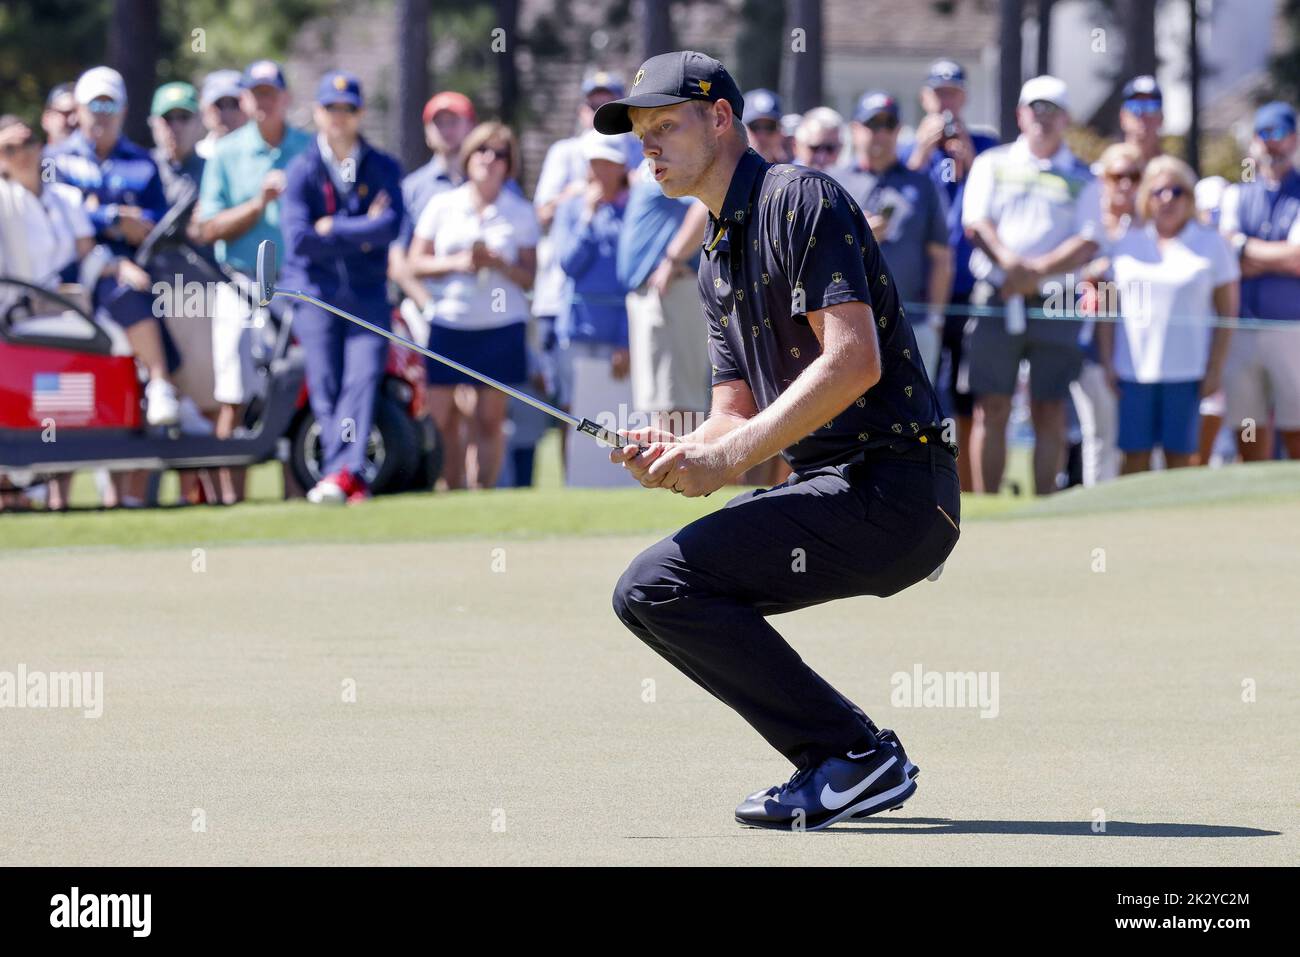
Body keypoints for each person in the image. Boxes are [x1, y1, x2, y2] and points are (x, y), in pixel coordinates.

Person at [597, 50, 960, 831]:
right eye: (640, 134)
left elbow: (853, 359)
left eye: (665, 126)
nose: (648, 147)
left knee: (659, 583)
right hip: (833, 490)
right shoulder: (715, 255)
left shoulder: (803, 198)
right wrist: (683, 454)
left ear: (720, 118)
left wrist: (728, 456)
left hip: (900, 489)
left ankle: (853, 756)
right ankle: (851, 755)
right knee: (652, 589)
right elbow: (734, 417)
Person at [961, 75, 1101, 495]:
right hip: (996, 294)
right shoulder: (993, 163)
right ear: (1021, 115)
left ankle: (1044, 506)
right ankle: (989, 503)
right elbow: (976, 223)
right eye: (1035, 110)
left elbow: (1088, 240)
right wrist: (1011, 268)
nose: (1043, 119)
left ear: (1066, 120)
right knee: (993, 405)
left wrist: (1032, 272)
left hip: (1055, 300)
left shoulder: (1083, 175)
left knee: (1049, 406)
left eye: (1052, 111)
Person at [280, 71, 404, 505]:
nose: (339, 117)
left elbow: (390, 226)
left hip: (367, 295)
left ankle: (343, 472)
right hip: (314, 294)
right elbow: (297, 238)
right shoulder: (301, 169)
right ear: (317, 113)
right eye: (331, 109)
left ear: (359, 113)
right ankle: (341, 472)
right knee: (326, 383)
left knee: (363, 377)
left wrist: (332, 227)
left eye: (347, 109)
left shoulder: (382, 164)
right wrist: (359, 228)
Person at [195, 60, 310, 502]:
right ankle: (232, 501)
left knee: (296, 392)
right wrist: (257, 203)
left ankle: (297, 498)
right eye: (255, 94)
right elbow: (208, 228)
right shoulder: (226, 152)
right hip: (240, 282)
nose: (262, 102)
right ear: (246, 100)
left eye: (269, 93)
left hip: (296, 284)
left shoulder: (307, 148)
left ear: (284, 98)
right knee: (233, 392)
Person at [407, 122, 538, 490]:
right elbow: (415, 262)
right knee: (442, 416)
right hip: (450, 320)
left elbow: (530, 276)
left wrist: (500, 265)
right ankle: (448, 485)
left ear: (508, 165)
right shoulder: (443, 204)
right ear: (468, 157)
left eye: (500, 154)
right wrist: (458, 262)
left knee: (489, 419)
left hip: (499, 324)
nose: (489, 160)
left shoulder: (519, 211)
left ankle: (482, 492)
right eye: (483, 151)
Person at [48, 66, 180, 428]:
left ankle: (162, 386)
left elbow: (155, 221)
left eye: (110, 106)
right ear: (79, 108)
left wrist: (101, 213)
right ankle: (160, 380)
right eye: (95, 106)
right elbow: (60, 210)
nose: (101, 116)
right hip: (71, 268)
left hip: (133, 266)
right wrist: (113, 217)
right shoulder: (56, 160)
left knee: (135, 289)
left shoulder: (142, 161)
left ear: (122, 110)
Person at [1095, 157, 1237, 473]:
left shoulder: (1211, 243)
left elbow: (1227, 313)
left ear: (1190, 197)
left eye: (1178, 191)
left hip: (1187, 374)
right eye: (1159, 191)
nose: (1168, 199)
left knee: (1182, 461)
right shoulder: (1126, 243)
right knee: (1134, 459)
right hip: (1133, 372)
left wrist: (1215, 368)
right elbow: (1107, 308)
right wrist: (1107, 361)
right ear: (1147, 197)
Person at [901, 58, 999, 492]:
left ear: (965, 97)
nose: (946, 103)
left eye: (953, 94)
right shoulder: (907, 150)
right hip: (922, 291)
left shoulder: (986, 146)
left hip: (969, 286)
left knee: (966, 392)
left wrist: (972, 162)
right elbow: (898, 196)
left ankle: (968, 487)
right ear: (925, 98)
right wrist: (922, 153)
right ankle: (921, 479)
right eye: (938, 94)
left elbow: (992, 204)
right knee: (918, 390)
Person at [0, 116, 97, 511]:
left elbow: (88, 251)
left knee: (60, 409)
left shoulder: (63, 198)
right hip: (13, 317)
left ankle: (57, 500)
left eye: (26, 143)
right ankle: (13, 494)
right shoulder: (4, 198)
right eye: (8, 149)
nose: (21, 154)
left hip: (63, 312)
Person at [837, 90, 952, 382]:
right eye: (872, 124)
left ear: (899, 131)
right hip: (847, 324)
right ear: (855, 129)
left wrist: (935, 320)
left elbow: (941, 257)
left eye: (889, 125)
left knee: (914, 421)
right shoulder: (832, 181)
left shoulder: (922, 185)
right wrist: (856, 237)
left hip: (911, 324)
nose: (881, 133)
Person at [1219, 101, 1300, 462]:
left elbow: (1297, 260)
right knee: (1248, 429)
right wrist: (1274, 255)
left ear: (1294, 140)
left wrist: (1243, 249)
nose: (1272, 143)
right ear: (1253, 142)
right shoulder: (1236, 194)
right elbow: (1225, 254)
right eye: (1264, 135)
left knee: (1295, 428)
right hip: (1243, 330)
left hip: (1291, 330)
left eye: (1280, 134)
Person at [617, 158, 710, 437]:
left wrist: (672, 258)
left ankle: (680, 478)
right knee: (664, 403)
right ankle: (674, 478)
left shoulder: (678, 160)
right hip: (656, 295)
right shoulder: (653, 162)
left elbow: (704, 205)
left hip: (671, 292)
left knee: (677, 405)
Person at [1072, 142, 1143, 485]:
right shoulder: (1086, 225)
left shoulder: (1148, 228)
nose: (1126, 184)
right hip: (1092, 350)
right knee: (1100, 437)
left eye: (1134, 176)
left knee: (1138, 443)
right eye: (1117, 176)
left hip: (1140, 351)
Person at [552, 132, 632, 429]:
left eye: (608, 163)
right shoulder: (572, 208)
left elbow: (633, 278)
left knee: (615, 414)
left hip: (616, 332)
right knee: (572, 414)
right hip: (576, 329)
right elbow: (569, 264)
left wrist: (626, 340)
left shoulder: (632, 210)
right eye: (595, 162)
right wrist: (587, 217)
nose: (600, 170)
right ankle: (569, 477)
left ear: (622, 166)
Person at [390, 90, 477, 309]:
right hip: (425, 308)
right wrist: (428, 308)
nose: (446, 130)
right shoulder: (411, 189)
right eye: (439, 123)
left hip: (483, 311)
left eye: (454, 121)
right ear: (427, 133)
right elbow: (397, 258)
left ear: (472, 128)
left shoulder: (493, 184)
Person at [195, 70, 246, 160]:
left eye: (234, 103)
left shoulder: (264, 152)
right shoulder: (197, 155)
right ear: (204, 109)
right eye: (219, 104)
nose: (227, 112)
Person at [742, 88, 788, 163]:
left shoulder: (794, 172)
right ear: (742, 130)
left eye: (770, 127)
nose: (762, 136)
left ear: (780, 133)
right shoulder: (727, 171)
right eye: (755, 127)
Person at [792, 107, 844, 172]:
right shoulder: (781, 179)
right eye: (814, 148)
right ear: (796, 146)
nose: (822, 157)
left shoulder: (848, 179)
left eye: (830, 148)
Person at [41, 83, 78, 148]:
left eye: (80, 114)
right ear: (46, 119)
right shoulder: (34, 157)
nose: (74, 120)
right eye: (66, 113)